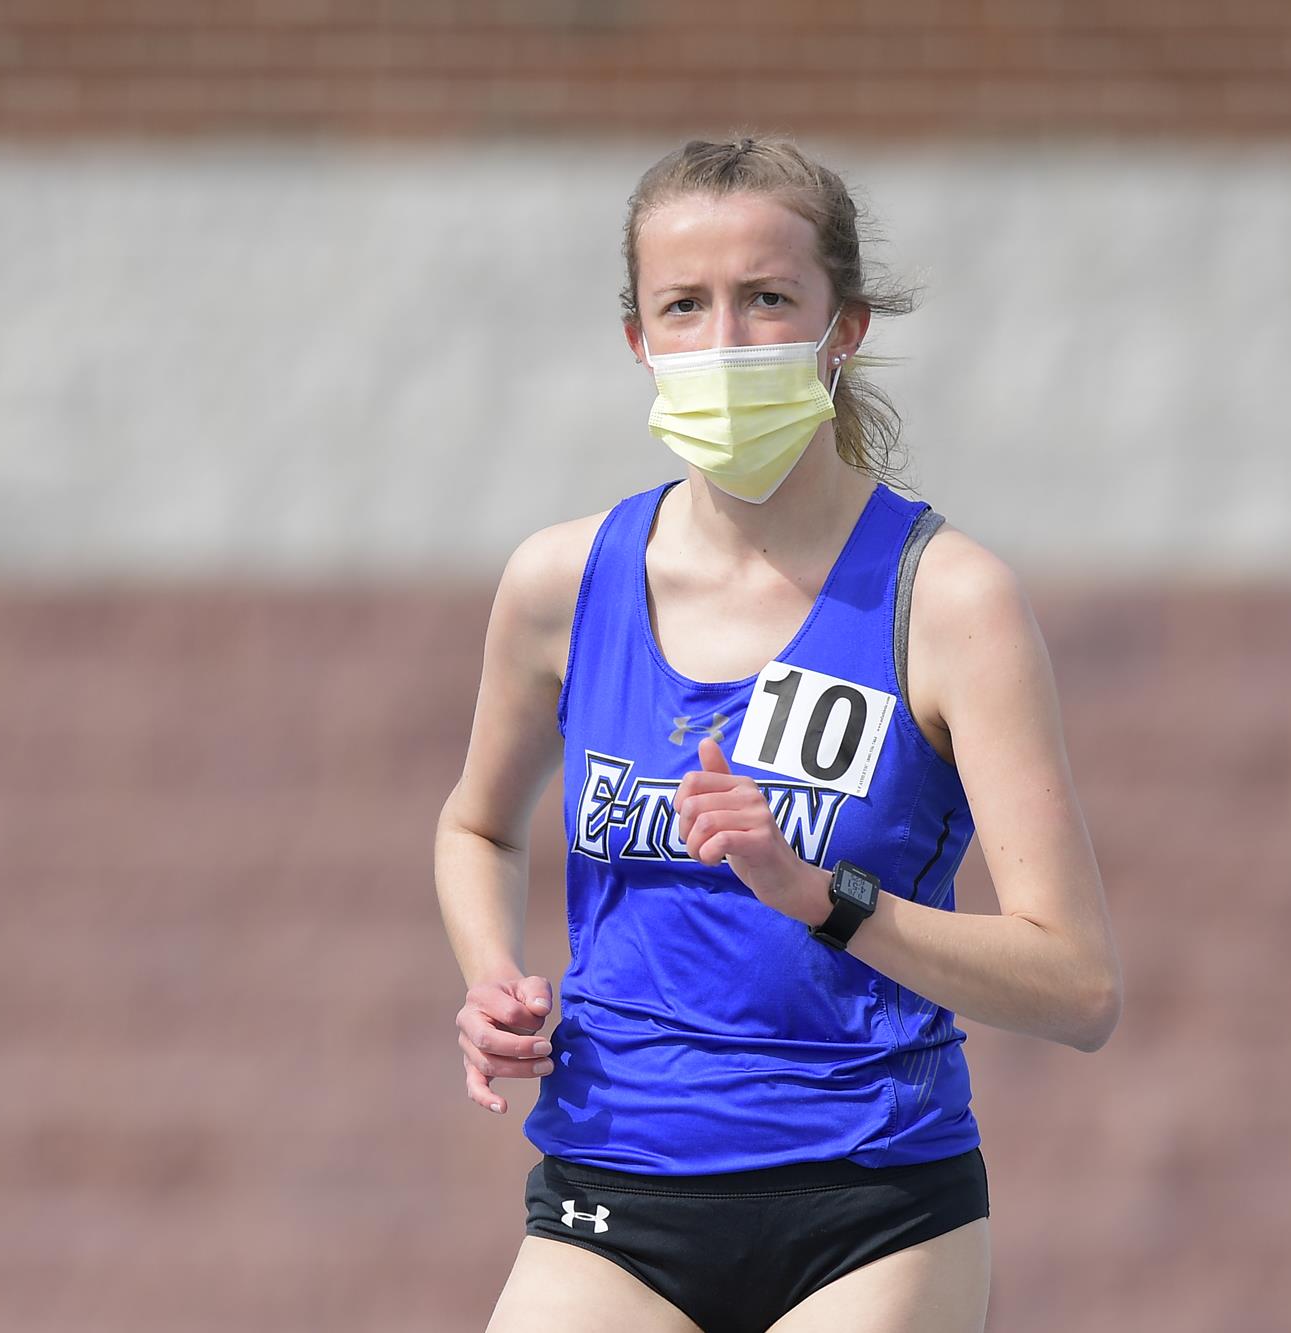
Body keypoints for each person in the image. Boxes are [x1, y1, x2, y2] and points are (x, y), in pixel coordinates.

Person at [433, 136, 1122, 1333]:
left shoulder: (946, 601)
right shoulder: (561, 583)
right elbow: (476, 824)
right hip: (611, 1190)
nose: (724, 343)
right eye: (683, 307)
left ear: (839, 327)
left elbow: (1077, 985)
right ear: (637, 341)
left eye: (765, 299)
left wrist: (820, 896)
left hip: (870, 1205)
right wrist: (489, 974)